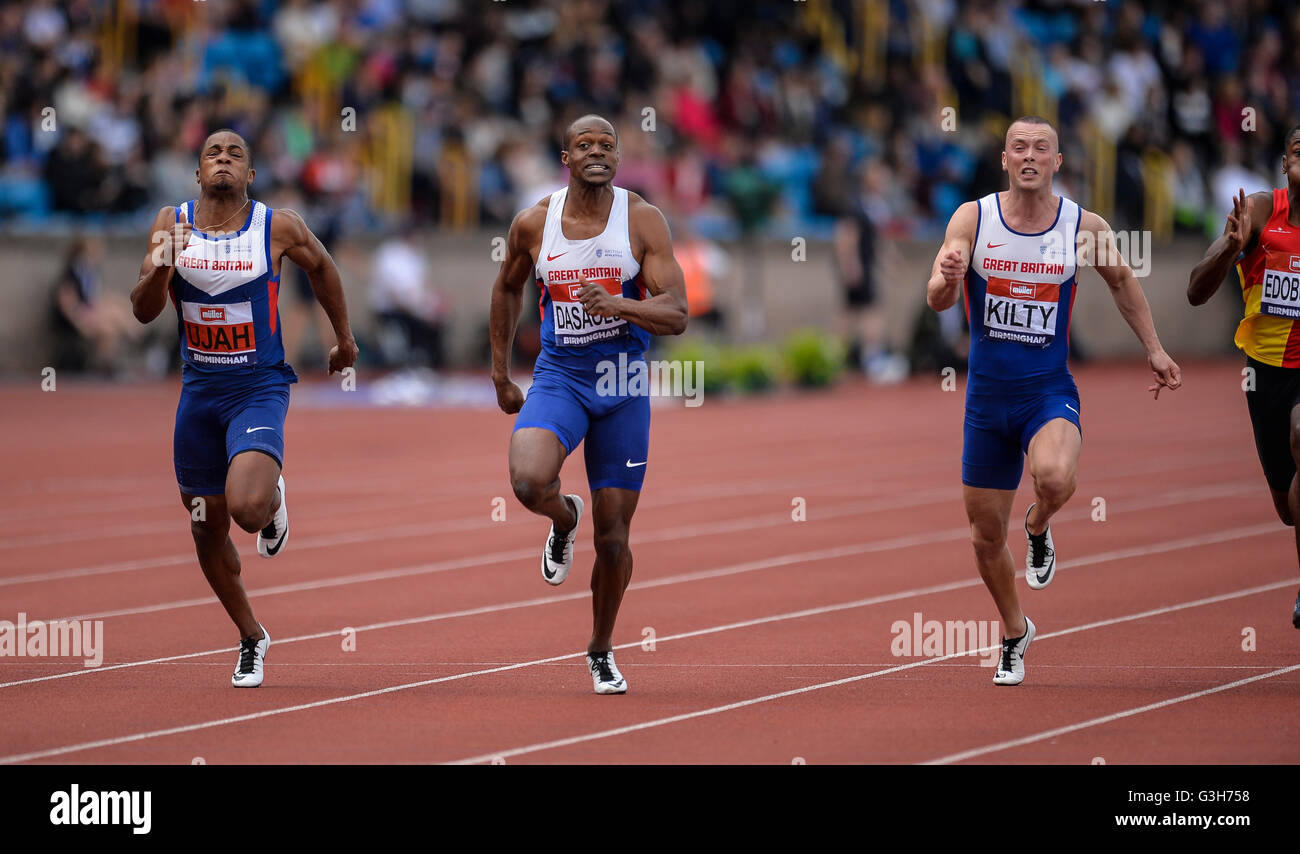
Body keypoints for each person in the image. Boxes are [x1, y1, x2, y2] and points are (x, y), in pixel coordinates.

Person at [926, 116, 1181, 686]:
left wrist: (1155, 349)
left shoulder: (1082, 226)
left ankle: (1039, 526)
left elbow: (1120, 281)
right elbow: (938, 297)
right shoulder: (974, 216)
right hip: (986, 402)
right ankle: (1015, 632)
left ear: (1058, 162)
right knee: (986, 535)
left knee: (1055, 477)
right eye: (1019, 146)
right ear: (1005, 159)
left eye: (1042, 147)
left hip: (1046, 391)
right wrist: (946, 277)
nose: (1030, 155)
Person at [130, 129, 358, 687]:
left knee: (248, 509)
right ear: (199, 173)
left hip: (257, 386)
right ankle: (251, 636)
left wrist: (344, 340)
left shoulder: (275, 225)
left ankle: (271, 494)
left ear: (250, 175)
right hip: (200, 392)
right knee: (206, 525)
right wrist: (164, 262)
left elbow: (323, 269)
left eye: (236, 154)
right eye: (213, 153)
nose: (224, 160)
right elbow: (142, 310)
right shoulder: (171, 222)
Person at [489, 114, 689, 694]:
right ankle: (562, 516)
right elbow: (506, 288)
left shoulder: (642, 220)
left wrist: (620, 307)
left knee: (614, 538)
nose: (597, 152)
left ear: (618, 159)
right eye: (585, 145)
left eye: (607, 145)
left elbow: (676, 312)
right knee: (528, 480)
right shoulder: (534, 223)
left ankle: (600, 648)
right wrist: (502, 374)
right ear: (566, 157)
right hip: (561, 377)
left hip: (622, 383)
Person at [1187, 123, 1300, 629]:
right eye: (1298, 147)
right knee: (1289, 507)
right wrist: (1231, 248)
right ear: (1283, 163)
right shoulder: (1257, 210)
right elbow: (1195, 290)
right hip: (1264, 374)